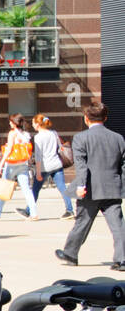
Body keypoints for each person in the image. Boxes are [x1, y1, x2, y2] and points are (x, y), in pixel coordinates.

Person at [55, 101, 125, 269]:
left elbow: (81, 165)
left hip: (90, 189)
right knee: (118, 226)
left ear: (86, 119)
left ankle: (71, 254)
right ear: (105, 118)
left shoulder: (81, 138)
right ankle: (122, 259)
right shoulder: (118, 138)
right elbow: (123, 165)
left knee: (82, 222)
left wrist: (80, 185)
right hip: (112, 188)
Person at [0, 114, 36, 220]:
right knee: (27, 190)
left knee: (4, 188)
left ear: (15, 123)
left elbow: (9, 150)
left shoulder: (12, 133)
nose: (9, 123)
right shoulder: (26, 134)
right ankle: (34, 213)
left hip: (11, 164)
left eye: (11, 122)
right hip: (23, 164)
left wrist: (1, 164)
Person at [31, 114, 75, 219]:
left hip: (45, 167)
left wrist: (37, 172)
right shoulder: (54, 133)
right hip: (56, 164)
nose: (32, 125)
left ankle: (29, 210)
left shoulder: (38, 137)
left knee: (35, 190)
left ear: (37, 124)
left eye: (33, 123)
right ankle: (70, 210)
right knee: (63, 188)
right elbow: (60, 147)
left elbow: (38, 156)